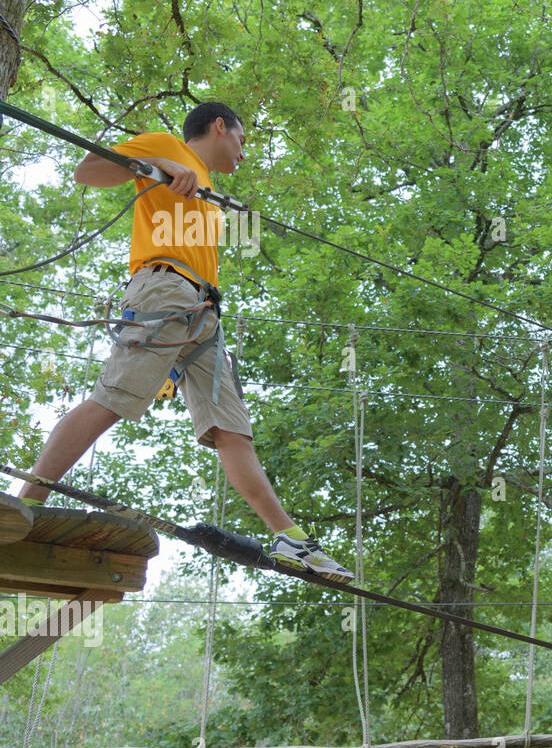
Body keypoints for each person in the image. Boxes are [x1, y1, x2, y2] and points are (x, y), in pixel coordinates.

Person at [15, 102, 351, 581]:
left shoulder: (208, 187)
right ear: (219, 126)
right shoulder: (163, 145)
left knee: (231, 430)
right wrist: (164, 167)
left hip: (202, 310)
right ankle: (27, 502)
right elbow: (86, 172)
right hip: (165, 289)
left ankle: (289, 538)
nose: (242, 152)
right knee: (114, 400)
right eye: (241, 139)